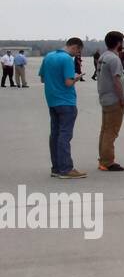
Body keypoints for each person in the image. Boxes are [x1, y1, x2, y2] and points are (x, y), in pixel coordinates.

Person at [41, 37, 85, 178]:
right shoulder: (67, 59)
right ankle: (66, 168)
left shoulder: (48, 56)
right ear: (75, 47)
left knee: (55, 134)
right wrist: (76, 78)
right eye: (78, 51)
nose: (77, 54)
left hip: (52, 100)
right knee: (65, 135)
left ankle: (56, 168)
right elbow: (68, 82)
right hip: (66, 101)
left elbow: (43, 78)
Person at [96, 31, 124, 172]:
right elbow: (117, 81)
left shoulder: (103, 56)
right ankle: (108, 161)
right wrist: (122, 99)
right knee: (111, 131)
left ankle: (103, 158)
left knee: (105, 130)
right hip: (114, 99)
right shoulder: (114, 59)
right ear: (118, 43)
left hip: (104, 98)